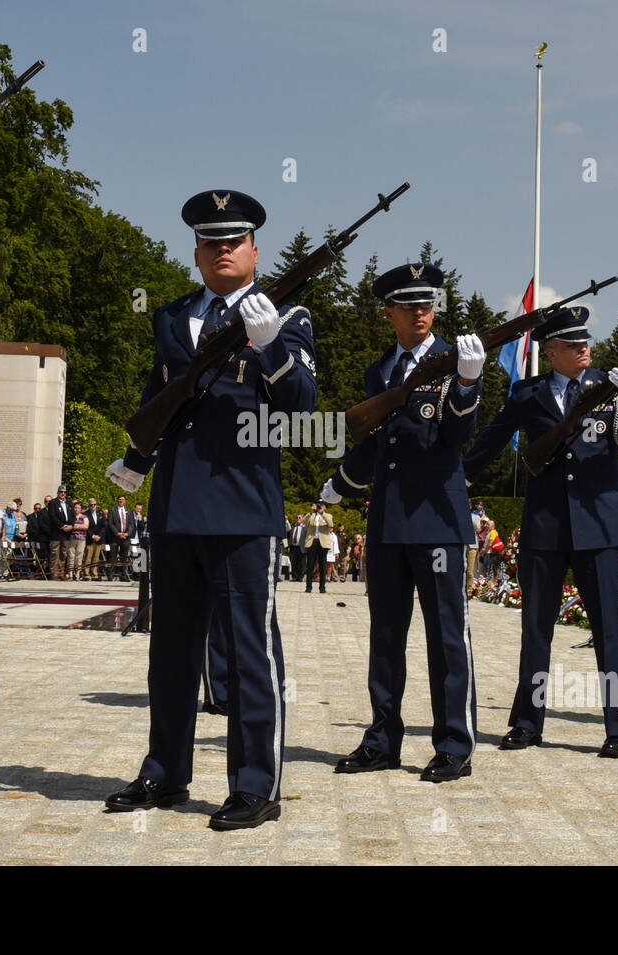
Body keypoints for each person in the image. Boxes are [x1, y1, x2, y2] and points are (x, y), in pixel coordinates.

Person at [104, 189, 316, 830]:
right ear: (197, 251)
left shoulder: (289, 316)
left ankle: (256, 784)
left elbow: (301, 405)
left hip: (244, 505)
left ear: (255, 250)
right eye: (209, 241)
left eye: (233, 241)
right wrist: (138, 458)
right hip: (176, 505)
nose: (221, 250)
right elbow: (162, 393)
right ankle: (164, 771)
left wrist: (270, 345)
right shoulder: (172, 317)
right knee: (169, 650)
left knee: (251, 651)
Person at [463, 305, 618, 758]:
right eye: (572, 344)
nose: (583, 348)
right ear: (550, 352)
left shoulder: (609, 387)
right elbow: (491, 439)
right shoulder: (527, 393)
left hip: (600, 527)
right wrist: (457, 480)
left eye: (585, 341)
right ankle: (527, 722)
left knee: (609, 630)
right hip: (545, 527)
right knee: (536, 630)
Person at [323, 263, 483, 781]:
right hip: (389, 521)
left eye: (427, 303)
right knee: (386, 637)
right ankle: (382, 740)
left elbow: (459, 438)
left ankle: (454, 744)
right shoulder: (381, 371)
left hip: (436, 520)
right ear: (388, 311)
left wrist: (467, 385)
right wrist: (345, 481)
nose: (420, 312)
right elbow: (373, 443)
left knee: (446, 637)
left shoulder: (453, 361)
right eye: (408, 305)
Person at [304, 501, 333, 593]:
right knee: (310, 565)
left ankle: (322, 587)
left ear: (324, 507)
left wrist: (322, 514)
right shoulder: (311, 515)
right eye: (318, 506)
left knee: (323, 565)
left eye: (321, 506)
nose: (319, 507)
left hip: (323, 542)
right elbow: (304, 522)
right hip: (312, 542)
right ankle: (308, 587)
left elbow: (331, 524)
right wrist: (311, 512)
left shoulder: (328, 515)